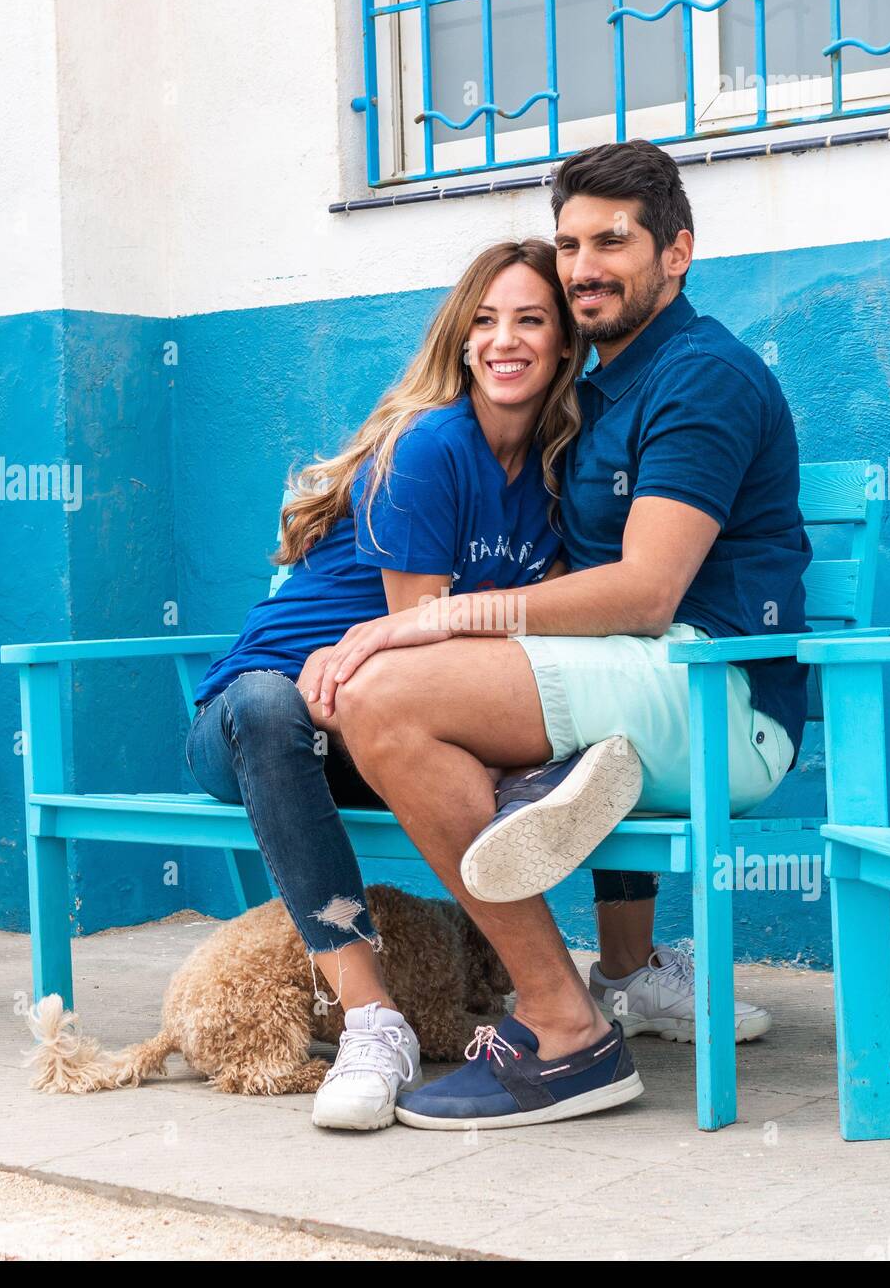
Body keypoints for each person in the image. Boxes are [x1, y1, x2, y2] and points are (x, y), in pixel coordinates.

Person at [301, 140, 812, 1129]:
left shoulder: (701, 376)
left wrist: (437, 624)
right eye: (571, 242)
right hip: (642, 681)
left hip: (721, 697)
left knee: (381, 701)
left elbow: (648, 591)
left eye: (612, 240)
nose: (583, 265)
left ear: (677, 252)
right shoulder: (598, 391)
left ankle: (563, 1029)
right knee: (394, 681)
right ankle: (581, 899)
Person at [185, 238, 599, 1130]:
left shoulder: (559, 471)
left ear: (565, 343)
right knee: (271, 702)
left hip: (373, 731)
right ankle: (372, 1020)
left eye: (531, 320)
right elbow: (421, 656)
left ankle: (605, 980)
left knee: (577, 705)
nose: (506, 340)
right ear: (459, 340)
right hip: (256, 724)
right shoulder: (433, 446)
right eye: (485, 321)